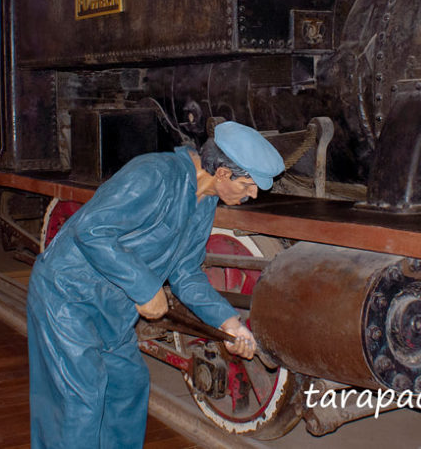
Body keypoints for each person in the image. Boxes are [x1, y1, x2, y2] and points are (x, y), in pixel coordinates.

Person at [27, 121, 285, 449]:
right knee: (79, 403)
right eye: (248, 184)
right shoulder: (154, 175)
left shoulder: (204, 202)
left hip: (112, 309)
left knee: (128, 387)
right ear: (222, 173)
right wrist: (146, 287)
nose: (253, 194)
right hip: (67, 298)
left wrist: (230, 324)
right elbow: (91, 230)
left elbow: (186, 273)